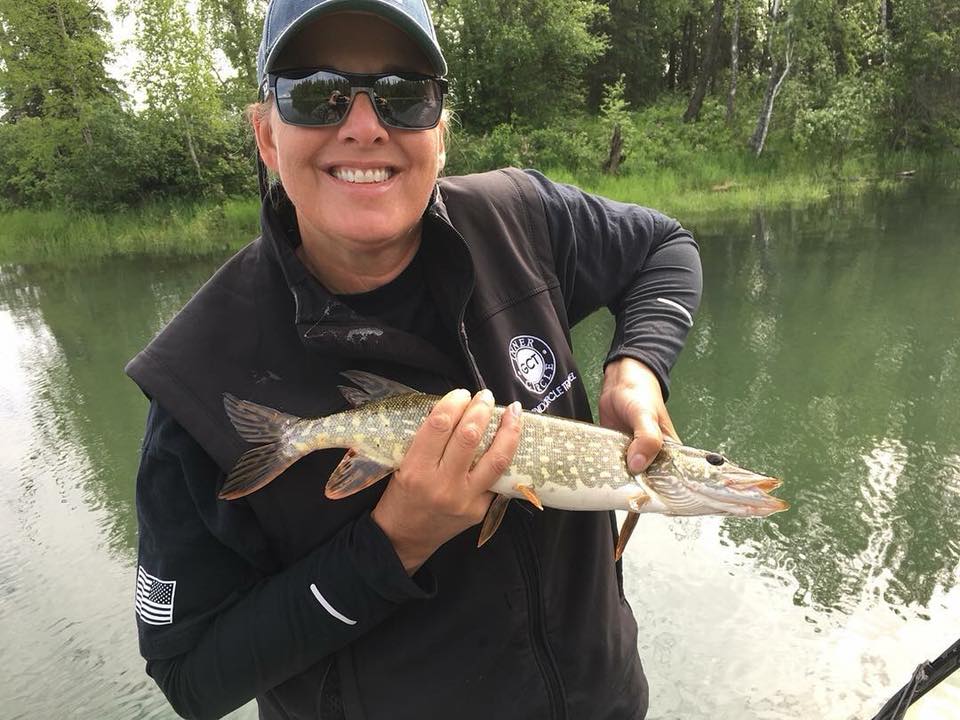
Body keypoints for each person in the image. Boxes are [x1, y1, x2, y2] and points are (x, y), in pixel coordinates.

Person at [126, 1, 702, 718]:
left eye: (403, 93)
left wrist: (636, 368)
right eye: (316, 93)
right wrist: (393, 543)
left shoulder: (519, 217)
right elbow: (191, 678)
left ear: (440, 129)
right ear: (266, 134)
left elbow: (664, 249)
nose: (365, 125)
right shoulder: (196, 379)